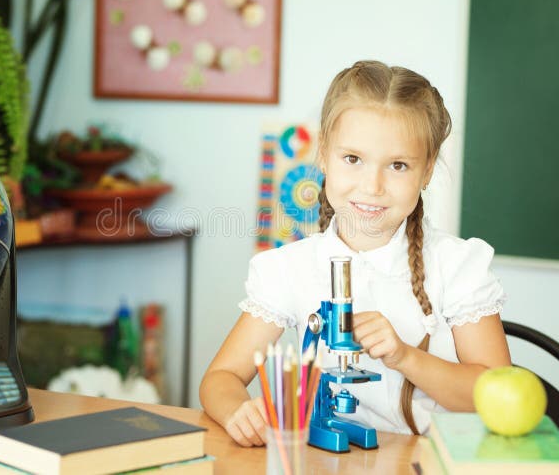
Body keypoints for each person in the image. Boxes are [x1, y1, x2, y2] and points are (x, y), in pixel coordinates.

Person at [199, 60, 511, 447]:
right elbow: (220, 378)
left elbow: (498, 397)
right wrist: (237, 411)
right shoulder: (287, 269)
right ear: (324, 154)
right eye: (353, 159)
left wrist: (404, 357)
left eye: (398, 165)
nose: (372, 185)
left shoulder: (458, 266)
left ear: (427, 171)